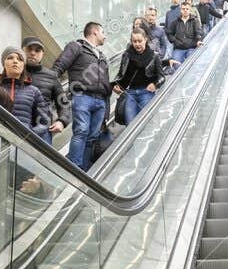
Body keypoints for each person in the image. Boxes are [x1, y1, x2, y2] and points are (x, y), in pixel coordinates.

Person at [52, 21, 112, 170]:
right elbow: (58, 67)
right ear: (95, 32)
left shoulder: (103, 57)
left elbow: (106, 86)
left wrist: (106, 111)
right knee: (81, 131)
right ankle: (74, 168)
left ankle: (83, 171)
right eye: (103, 32)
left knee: (92, 138)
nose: (105, 36)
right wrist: (49, 88)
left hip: (100, 101)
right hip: (82, 97)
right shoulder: (76, 47)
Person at [0, 47, 54, 143]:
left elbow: (44, 122)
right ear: (4, 63)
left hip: (22, 143)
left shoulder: (33, 91)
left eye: (20, 59)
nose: (15, 61)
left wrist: (30, 134)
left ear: (23, 65)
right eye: (10, 58)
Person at [113, 26, 169, 125]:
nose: (137, 44)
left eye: (140, 41)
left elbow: (162, 77)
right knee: (130, 124)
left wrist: (155, 85)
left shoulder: (153, 55)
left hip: (146, 92)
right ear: (131, 41)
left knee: (144, 123)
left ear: (145, 40)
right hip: (130, 93)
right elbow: (121, 74)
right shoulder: (126, 55)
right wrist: (116, 85)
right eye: (134, 41)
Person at [21, 37, 67, 137]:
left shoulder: (51, 76)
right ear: (21, 51)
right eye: (29, 49)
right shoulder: (14, 71)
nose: (33, 53)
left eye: (37, 50)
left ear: (42, 54)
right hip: (15, 125)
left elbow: (64, 103)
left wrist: (61, 121)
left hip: (42, 129)